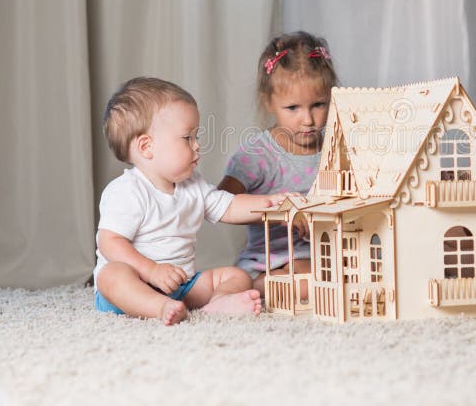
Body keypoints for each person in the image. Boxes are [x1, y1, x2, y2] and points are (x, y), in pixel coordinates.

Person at [95, 77, 283, 325]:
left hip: (181, 285)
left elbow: (230, 206)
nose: (197, 146)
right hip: (133, 287)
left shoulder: (193, 184)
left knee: (236, 275)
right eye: (187, 138)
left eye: (197, 136)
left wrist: (273, 203)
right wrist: (151, 271)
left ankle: (219, 303)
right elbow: (109, 242)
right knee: (111, 275)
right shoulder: (127, 190)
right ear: (147, 146)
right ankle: (158, 307)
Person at [218, 32, 338, 295]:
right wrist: (278, 207)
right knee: (314, 283)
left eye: (318, 104)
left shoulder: (335, 148)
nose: (308, 119)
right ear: (268, 102)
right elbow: (220, 202)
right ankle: (257, 285)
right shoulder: (257, 155)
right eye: (293, 108)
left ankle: (270, 288)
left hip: (315, 253)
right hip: (266, 258)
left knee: (329, 277)